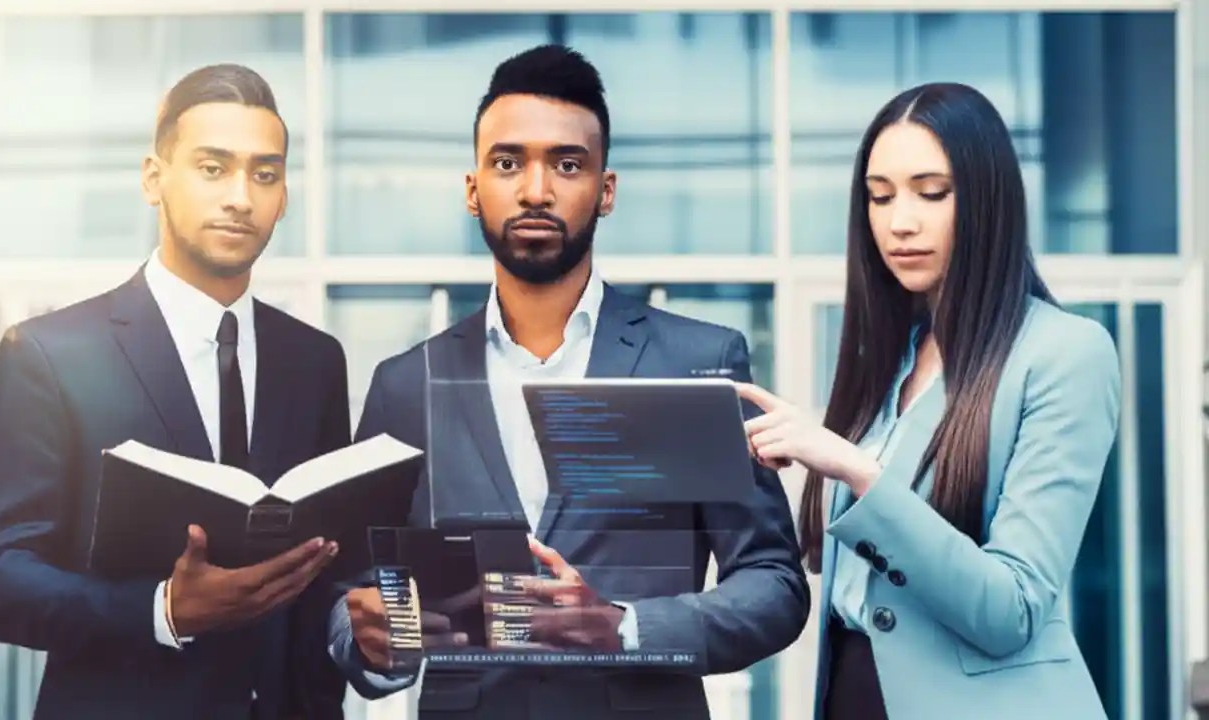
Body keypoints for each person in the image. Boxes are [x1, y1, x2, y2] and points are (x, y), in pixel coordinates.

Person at [328, 44, 810, 719]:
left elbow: (773, 583)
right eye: (507, 162)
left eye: (566, 163)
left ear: (605, 190)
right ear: (473, 189)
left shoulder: (693, 362)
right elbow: (352, 594)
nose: (534, 189)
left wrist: (621, 627)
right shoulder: (406, 385)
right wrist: (369, 637)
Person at [0, 64, 352, 719]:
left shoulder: (314, 362)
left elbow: (323, 572)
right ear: (152, 178)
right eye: (212, 167)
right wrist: (161, 609)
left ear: (284, 195)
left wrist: (367, 638)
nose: (240, 197)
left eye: (265, 173)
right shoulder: (52, 354)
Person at [735, 82, 1119, 720]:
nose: (898, 221)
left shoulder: (1066, 353)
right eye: (879, 197)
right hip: (854, 692)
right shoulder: (890, 358)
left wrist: (854, 468)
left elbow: (1012, 609)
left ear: (988, 200)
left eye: (931, 192)